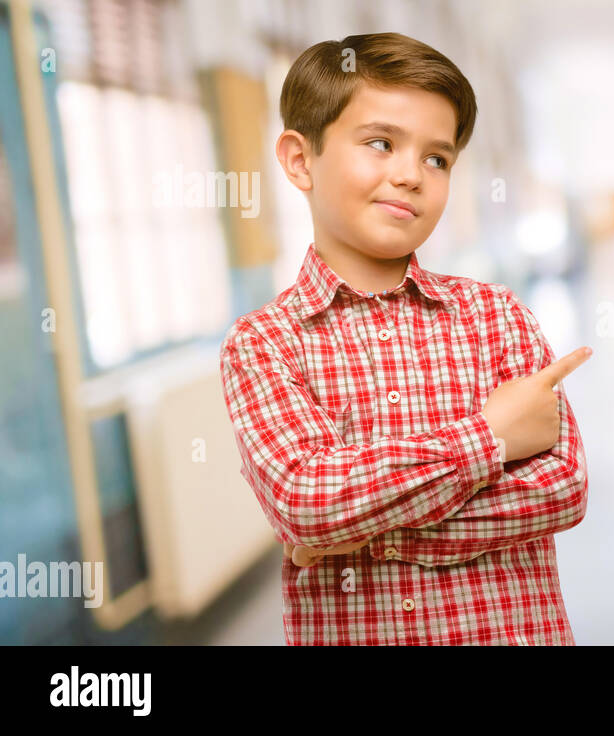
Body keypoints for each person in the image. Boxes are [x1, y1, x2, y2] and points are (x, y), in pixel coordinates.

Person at [218, 32, 591, 645]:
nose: (410, 175)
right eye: (381, 143)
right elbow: (310, 502)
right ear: (298, 158)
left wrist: (357, 533)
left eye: (436, 158)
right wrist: (489, 437)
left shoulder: (496, 317)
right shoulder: (264, 344)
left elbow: (560, 491)